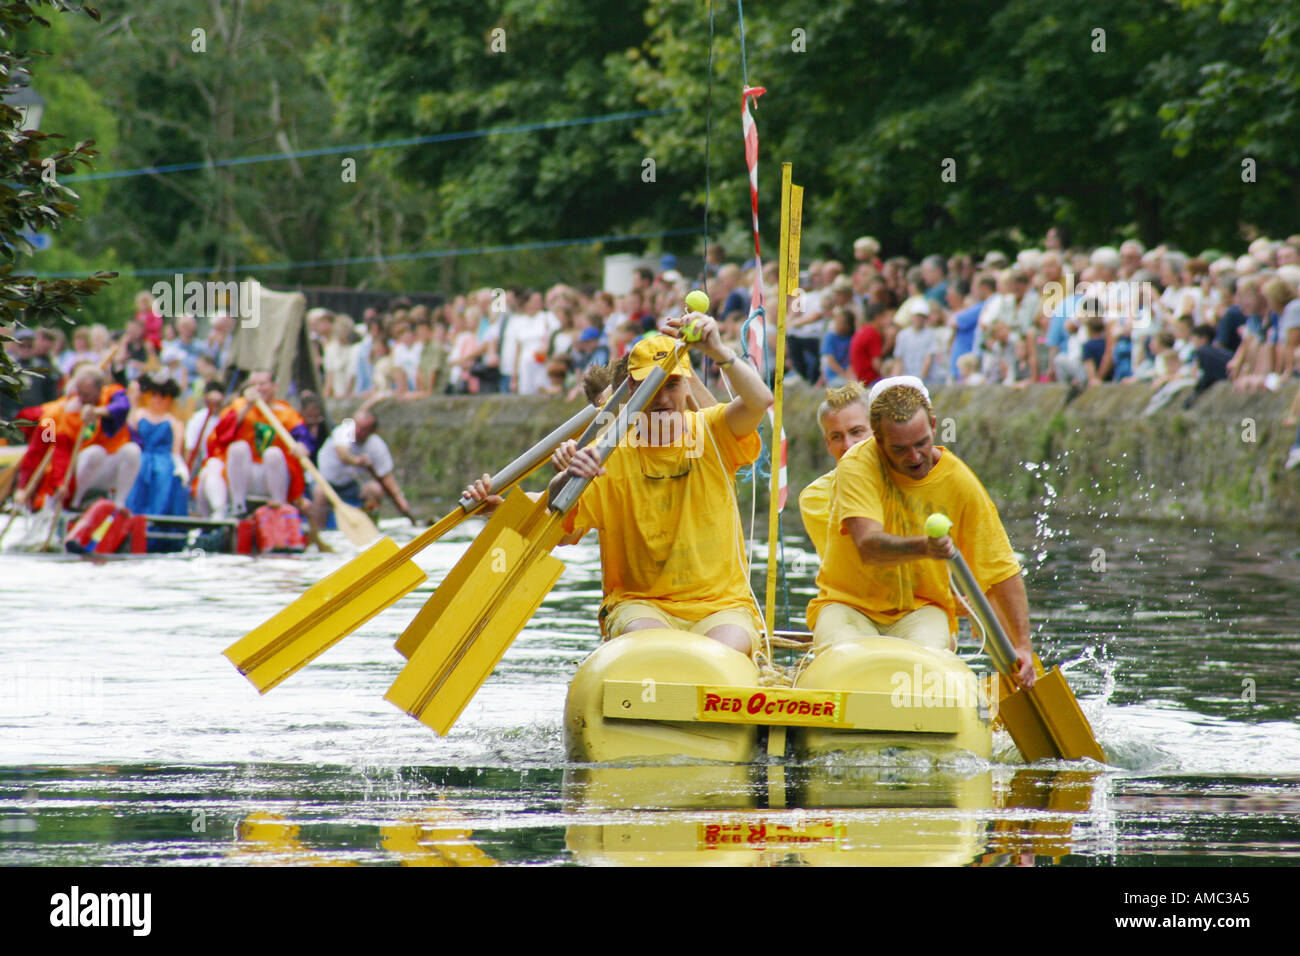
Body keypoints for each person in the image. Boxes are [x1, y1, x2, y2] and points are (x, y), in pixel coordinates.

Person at [466, 316, 774, 656]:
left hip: (722, 605)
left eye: (671, 385)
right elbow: (560, 525)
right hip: (640, 605)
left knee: (721, 655)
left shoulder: (716, 431)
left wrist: (717, 349)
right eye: (650, 388)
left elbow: (760, 400)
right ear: (632, 391)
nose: (662, 398)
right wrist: (510, 501)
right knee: (654, 653)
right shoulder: (607, 453)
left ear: (687, 385)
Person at [805, 378, 1036, 688]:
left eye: (921, 443)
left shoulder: (961, 482)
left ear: (934, 426)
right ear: (878, 440)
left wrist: (1023, 646)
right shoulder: (857, 465)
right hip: (847, 605)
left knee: (923, 668)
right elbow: (869, 546)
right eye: (900, 449)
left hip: (923, 609)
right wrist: (926, 548)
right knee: (847, 663)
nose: (914, 457)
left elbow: (1002, 570)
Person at [197, 370, 313, 518]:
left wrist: (303, 447)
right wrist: (247, 407)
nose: (258, 388)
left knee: (274, 454)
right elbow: (221, 434)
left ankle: (279, 506)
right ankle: (238, 506)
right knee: (238, 448)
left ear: (274, 386)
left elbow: (304, 438)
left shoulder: (287, 413)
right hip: (242, 472)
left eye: (262, 384)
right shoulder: (238, 407)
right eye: (253, 385)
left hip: (270, 474)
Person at [799, 382, 872, 560]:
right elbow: (861, 553)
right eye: (836, 437)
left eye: (856, 432)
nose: (848, 445)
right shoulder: (815, 497)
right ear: (828, 444)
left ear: (877, 431)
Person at [312, 408, 414, 527]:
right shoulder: (343, 431)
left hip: (351, 486)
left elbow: (386, 477)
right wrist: (357, 461)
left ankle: (371, 527)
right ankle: (319, 532)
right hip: (325, 482)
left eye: (364, 429)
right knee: (320, 492)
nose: (358, 431)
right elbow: (343, 456)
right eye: (358, 426)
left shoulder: (377, 446)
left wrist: (400, 500)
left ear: (373, 431)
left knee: (374, 490)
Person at [124, 373, 189, 517]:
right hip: (141, 456)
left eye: (163, 396)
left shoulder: (173, 421)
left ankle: (157, 520)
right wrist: (133, 404)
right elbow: (129, 433)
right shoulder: (139, 414)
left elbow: (176, 450)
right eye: (154, 394)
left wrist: (180, 466)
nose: (158, 399)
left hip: (164, 460)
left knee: (163, 480)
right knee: (137, 477)